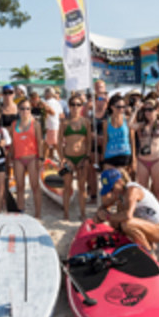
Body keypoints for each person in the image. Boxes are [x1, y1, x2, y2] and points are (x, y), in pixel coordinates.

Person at [94, 167, 159, 254]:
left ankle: (149, 254)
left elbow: (128, 215)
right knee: (116, 222)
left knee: (126, 224)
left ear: (120, 182)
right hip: (150, 226)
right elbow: (103, 207)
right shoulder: (120, 191)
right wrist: (99, 215)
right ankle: (146, 245)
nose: (111, 192)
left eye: (112, 189)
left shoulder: (132, 190)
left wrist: (107, 216)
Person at [59, 92, 92, 221]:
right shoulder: (64, 123)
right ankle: (66, 213)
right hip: (69, 158)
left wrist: (87, 157)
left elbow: (89, 141)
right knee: (67, 187)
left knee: (82, 187)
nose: (75, 107)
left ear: (81, 106)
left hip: (82, 158)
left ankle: (82, 213)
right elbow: (59, 142)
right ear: (69, 106)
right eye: (72, 104)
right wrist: (63, 159)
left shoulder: (86, 122)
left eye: (78, 104)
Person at [8, 98, 43, 217]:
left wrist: (41, 158)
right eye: (22, 108)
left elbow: (40, 142)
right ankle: (21, 212)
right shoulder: (14, 125)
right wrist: (10, 158)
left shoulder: (36, 124)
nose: (25, 111)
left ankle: (38, 214)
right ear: (18, 110)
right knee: (19, 187)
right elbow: (11, 143)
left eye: (28, 108)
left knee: (35, 186)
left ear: (31, 110)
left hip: (32, 158)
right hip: (18, 158)